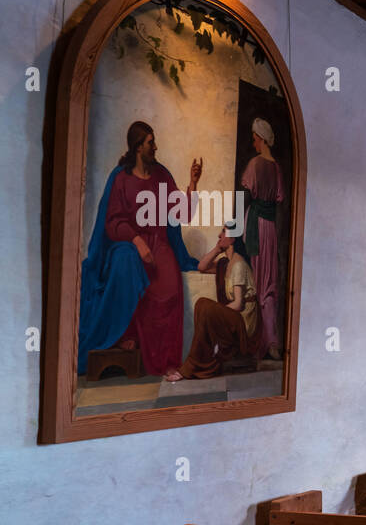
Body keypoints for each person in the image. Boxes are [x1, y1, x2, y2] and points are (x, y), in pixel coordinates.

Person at [78, 120, 202, 375]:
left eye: (154, 142)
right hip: (129, 244)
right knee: (127, 265)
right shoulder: (121, 178)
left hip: (159, 243)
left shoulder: (161, 175)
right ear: (137, 147)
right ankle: (127, 335)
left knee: (170, 287)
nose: (155, 147)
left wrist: (193, 184)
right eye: (150, 142)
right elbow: (113, 222)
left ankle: (166, 363)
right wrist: (136, 240)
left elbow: (179, 214)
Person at [165, 226, 258, 381]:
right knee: (203, 306)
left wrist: (216, 312)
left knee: (205, 307)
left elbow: (239, 304)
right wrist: (217, 248)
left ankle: (189, 367)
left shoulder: (238, 265)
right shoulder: (226, 263)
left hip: (244, 322)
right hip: (235, 317)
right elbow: (202, 267)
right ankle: (198, 364)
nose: (219, 235)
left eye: (223, 232)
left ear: (232, 239)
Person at [240, 118, 285, 360]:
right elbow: (277, 201)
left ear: (263, 139)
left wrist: (236, 228)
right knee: (266, 284)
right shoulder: (276, 168)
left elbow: (245, 198)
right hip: (268, 229)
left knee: (261, 282)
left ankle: (263, 341)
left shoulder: (255, 165)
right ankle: (269, 341)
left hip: (256, 225)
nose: (254, 142)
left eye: (256, 138)